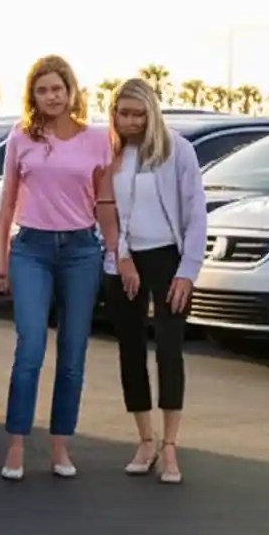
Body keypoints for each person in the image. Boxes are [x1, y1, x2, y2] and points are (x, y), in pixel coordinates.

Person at [0, 55, 118, 481]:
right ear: (33, 95)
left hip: (82, 251)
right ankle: (16, 446)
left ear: (70, 91)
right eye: (42, 90)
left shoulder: (97, 139)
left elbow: (104, 202)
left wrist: (118, 253)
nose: (51, 97)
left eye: (57, 89)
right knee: (29, 349)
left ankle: (60, 447)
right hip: (31, 250)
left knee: (73, 354)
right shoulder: (21, 137)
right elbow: (7, 201)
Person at [103, 78, 206, 485]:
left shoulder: (178, 151)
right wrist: (121, 256)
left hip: (168, 258)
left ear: (152, 113)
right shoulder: (109, 153)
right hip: (123, 261)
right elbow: (104, 213)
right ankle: (145, 440)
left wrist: (188, 271)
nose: (129, 122)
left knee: (168, 349)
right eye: (122, 113)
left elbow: (196, 214)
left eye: (137, 114)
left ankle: (170, 447)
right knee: (130, 350)